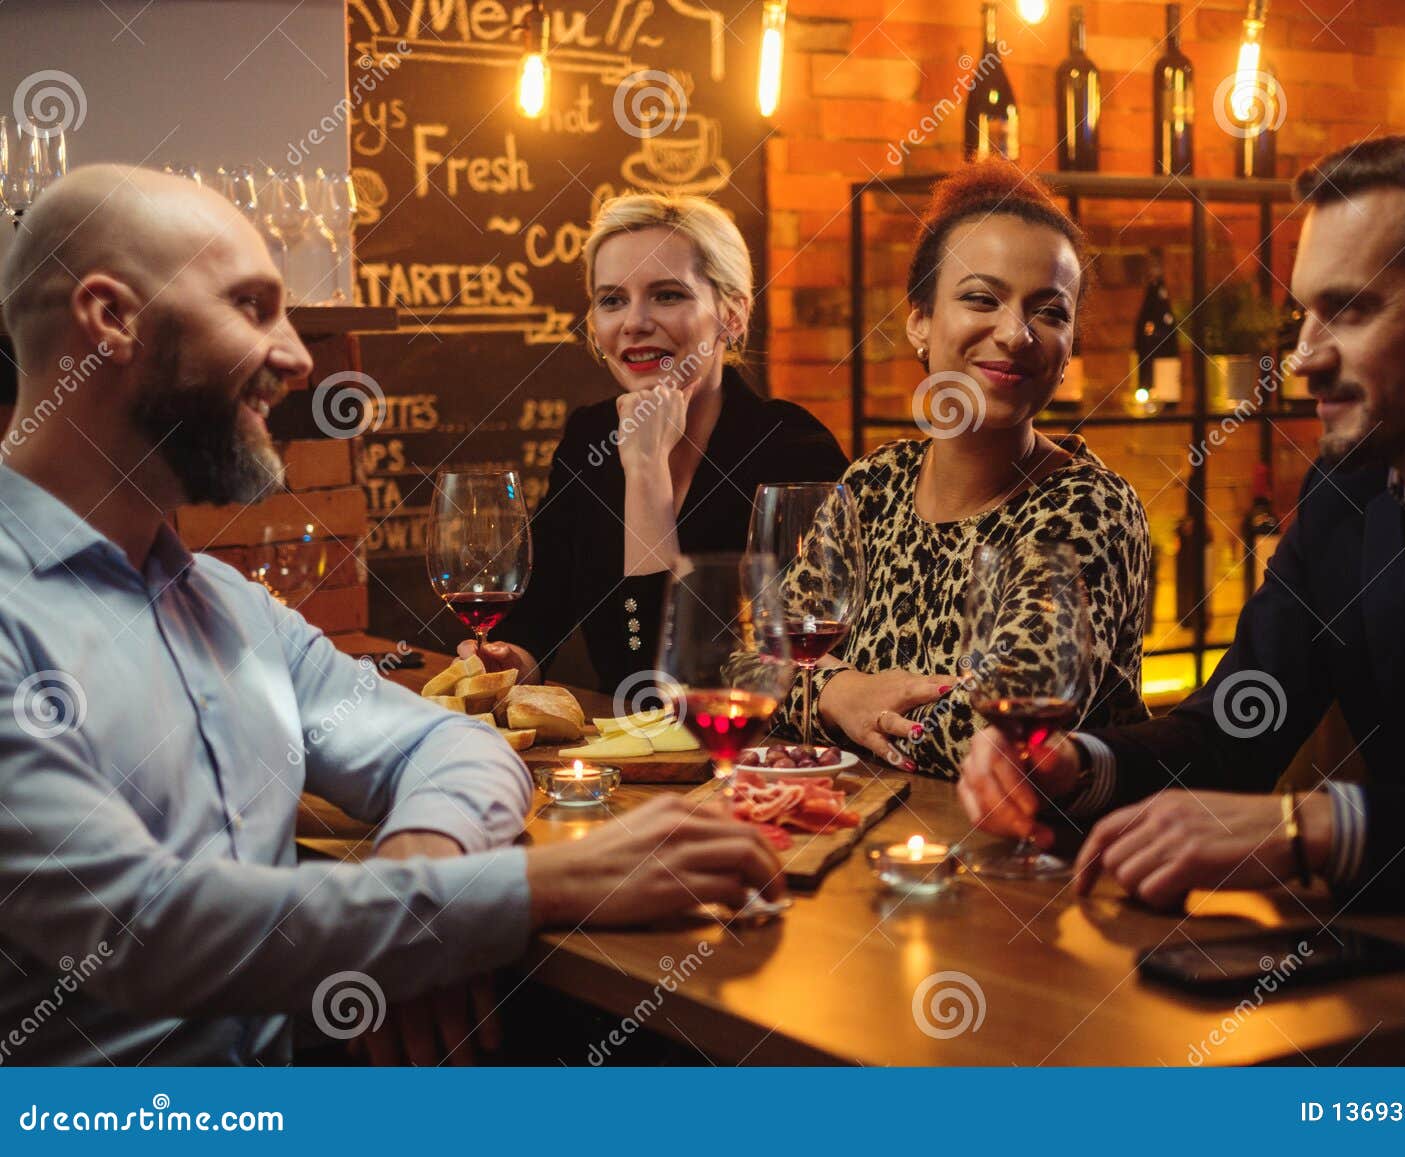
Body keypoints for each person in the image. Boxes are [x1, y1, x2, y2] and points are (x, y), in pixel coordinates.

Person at [0, 166, 785, 1066]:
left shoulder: (233, 610)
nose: (298, 357)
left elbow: (457, 745)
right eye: (253, 308)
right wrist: (539, 884)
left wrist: (417, 902)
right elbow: (146, 933)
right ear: (111, 322)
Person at [959, 130, 1405, 910]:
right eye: (1304, 313)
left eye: (1350, 310)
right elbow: (1233, 731)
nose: (1302, 355)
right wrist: (1078, 763)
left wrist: (1321, 825)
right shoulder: (1346, 493)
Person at [780, 160, 1151, 779]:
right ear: (920, 321)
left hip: (1034, 864)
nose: (1016, 333)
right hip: (867, 849)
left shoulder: (1087, 507)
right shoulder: (873, 485)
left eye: (1051, 312)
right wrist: (838, 694)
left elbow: (999, 740)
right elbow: (750, 666)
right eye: (982, 298)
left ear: (1067, 355)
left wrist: (823, 689)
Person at [473, 193, 847, 697]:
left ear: (732, 315)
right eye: (612, 300)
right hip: (629, 764)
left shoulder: (795, 451)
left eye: (667, 295)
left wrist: (647, 470)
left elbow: (671, 685)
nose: (633, 322)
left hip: (757, 759)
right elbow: (538, 617)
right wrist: (507, 658)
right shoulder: (590, 438)